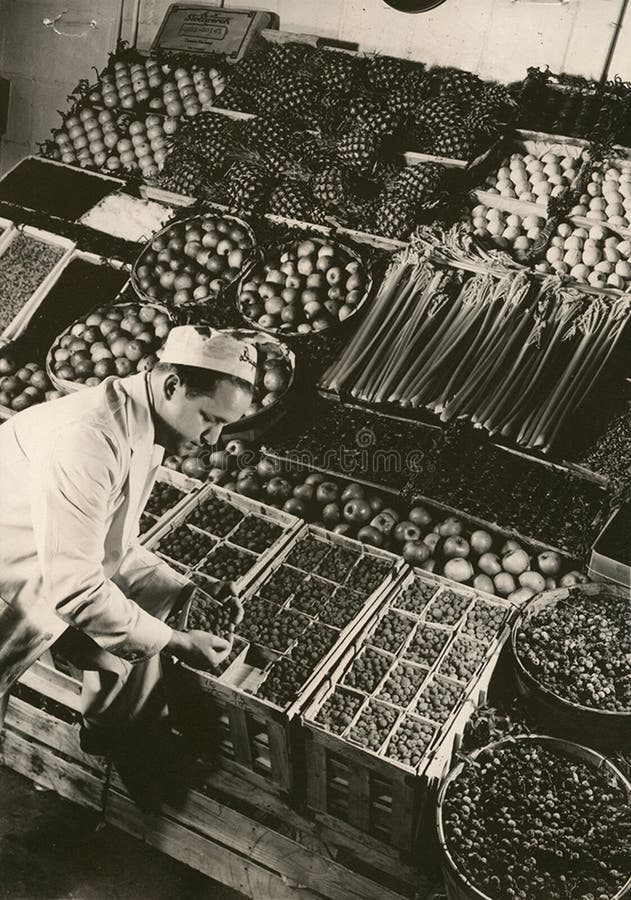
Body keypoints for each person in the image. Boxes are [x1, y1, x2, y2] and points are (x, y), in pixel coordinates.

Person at [0, 326, 257, 770]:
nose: (213, 440)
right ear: (171, 385)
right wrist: (176, 641)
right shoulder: (89, 438)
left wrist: (185, 590)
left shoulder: (140, 423)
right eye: (209, 419)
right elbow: (78, 588)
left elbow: (112, 544)